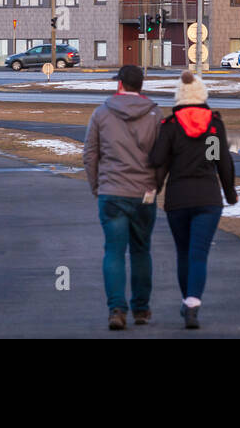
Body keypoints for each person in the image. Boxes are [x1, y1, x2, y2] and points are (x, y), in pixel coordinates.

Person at [149, 70, 237, 331]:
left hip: (178, 199)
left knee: (183, 253)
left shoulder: (171, 126)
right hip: (208, 198)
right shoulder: (212, 125)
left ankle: (187, 300)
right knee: (199, 254)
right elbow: (220, 161)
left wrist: (154, 187)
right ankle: (192, 304)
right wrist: (229, 192)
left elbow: (158, 162)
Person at [83, 63, 162, 331]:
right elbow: (162, 156)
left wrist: (97, 186)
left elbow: (90, 154)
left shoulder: (102, 113)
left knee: (114, 252)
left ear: (120, 84)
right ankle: (141, 308)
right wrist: (156, 186)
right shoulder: (154, 114)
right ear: (140, 85)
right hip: (144, 192)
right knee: (141, 250)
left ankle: (117, 309)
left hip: (112, 191)